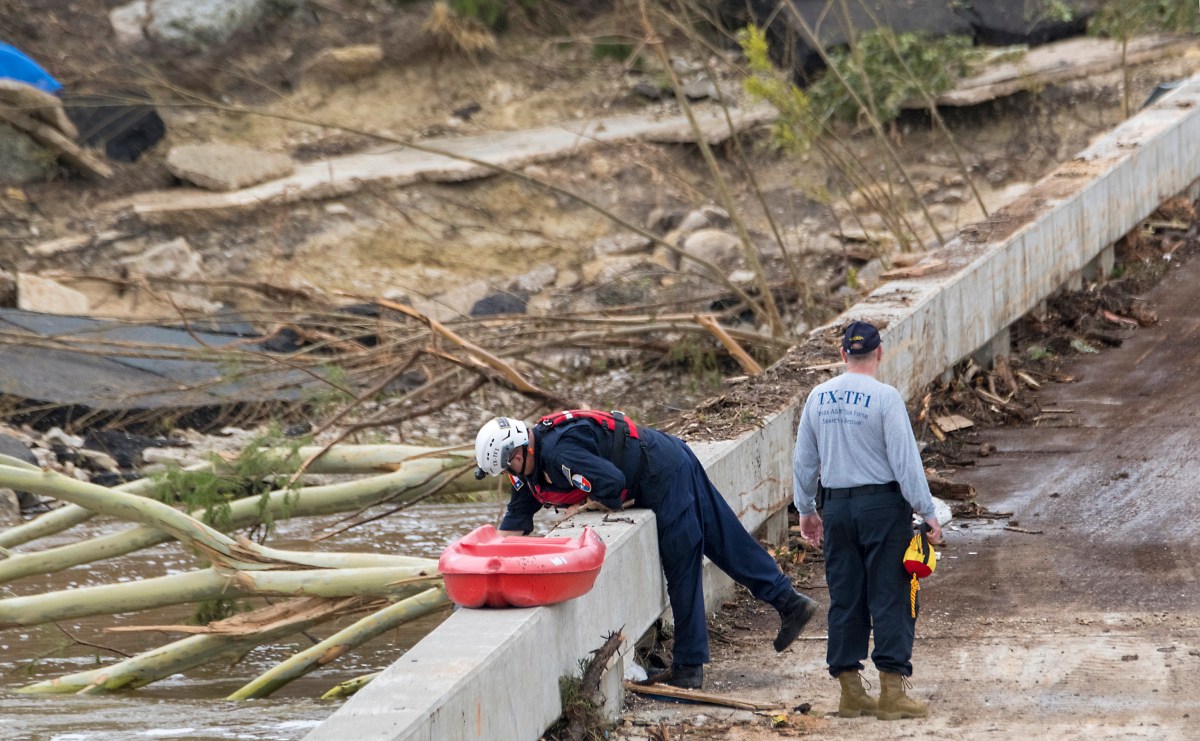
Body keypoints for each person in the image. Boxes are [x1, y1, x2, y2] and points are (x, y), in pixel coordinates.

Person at [474, 410, 818, 690]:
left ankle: (688, 666)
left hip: (662, 471)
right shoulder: (529, 466)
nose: (509, 474)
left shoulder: (559, 452)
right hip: (667, 456)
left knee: (682, 563)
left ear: (518, 453)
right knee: (725, 539)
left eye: (507, 467)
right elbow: (517, 517)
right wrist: (493, 565)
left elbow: (611, 482)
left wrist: (590, 504)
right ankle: (788, 602)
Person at [792, 320, 944, 720]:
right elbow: (905, 461)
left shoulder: (818, 397)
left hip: (837, 509)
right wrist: (927, 511)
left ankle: (851, 692)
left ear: (843, 355)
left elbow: (805, 461)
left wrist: (806, 509)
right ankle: (892, 693)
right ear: (879, 353)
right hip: (882, 508)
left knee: (845, 595)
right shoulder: (885, 397)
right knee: (891, 595)